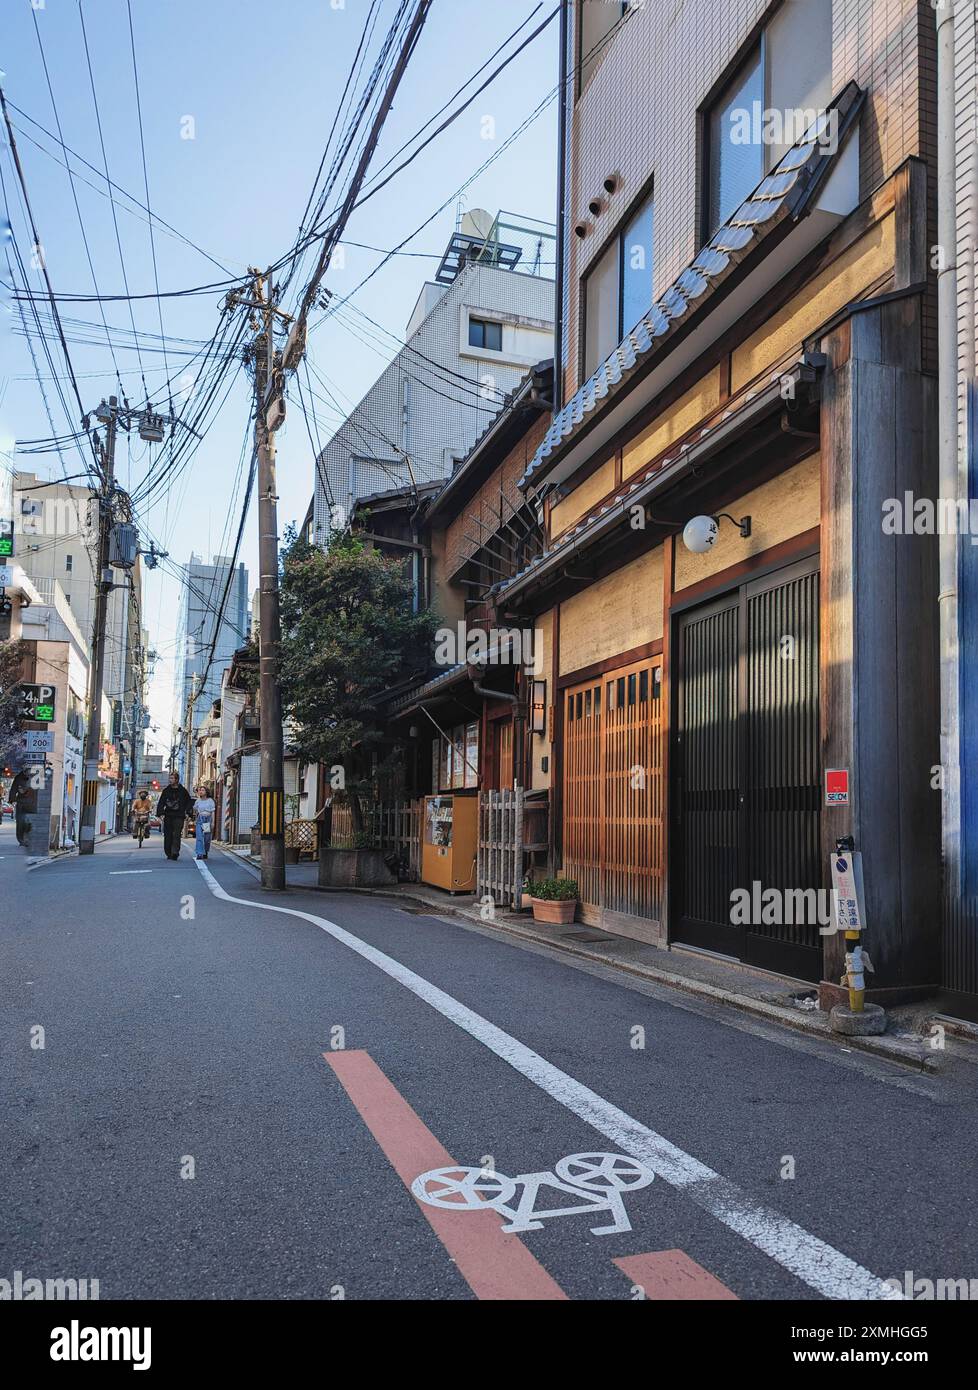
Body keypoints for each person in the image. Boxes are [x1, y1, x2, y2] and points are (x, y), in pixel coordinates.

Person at [156, 772, 192, 860]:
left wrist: (187, 812)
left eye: (172, 778)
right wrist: (161, 814)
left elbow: (189, 802)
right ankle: (168, 852)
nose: (170, 780)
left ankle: (175, 852)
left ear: (177, 780)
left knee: (176, 834)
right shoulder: (166, 790)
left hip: (179, 815)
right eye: (170, 778)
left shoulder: (183, 791)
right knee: (168, 835)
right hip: (168, 815)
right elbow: (161, 802)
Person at [193, 785, 216, 860]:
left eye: (202, 790)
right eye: (200, 790)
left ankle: (205, 851)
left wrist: (213, 822)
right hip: (200, 819)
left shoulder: (210, 801)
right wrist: (195, 818)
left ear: (206, 792)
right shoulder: (198, 801)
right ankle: (199, 853)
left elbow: (213, 812)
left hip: (207, 819)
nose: (200, 791)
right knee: (199, 837)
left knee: (207, 838)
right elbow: (195, 810)